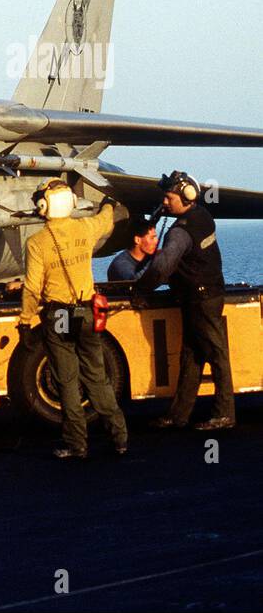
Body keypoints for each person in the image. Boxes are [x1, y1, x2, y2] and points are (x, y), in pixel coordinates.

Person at [18, 180, 128, 459]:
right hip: (88, 313)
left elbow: (32, 287)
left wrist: (25, 320)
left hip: (60, 316)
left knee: (66, 380)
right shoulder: (85, 228)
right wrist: (108, 203)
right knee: (97, 377)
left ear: (44, 206)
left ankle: (77, 445)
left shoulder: (37, 243)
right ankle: (120, 438)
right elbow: (106, 220)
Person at [134, 172, 235, 431]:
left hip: (201, 299)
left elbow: (162, 267)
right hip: (204, 295)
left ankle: (225, 414)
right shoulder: (202, 216)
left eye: (168, 198)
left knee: (216, 354)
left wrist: (141, 289)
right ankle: (179, 415)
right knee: (191, 356)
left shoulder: (179, 233)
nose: (164, 202)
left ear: (185, 197)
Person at [106, 216, 158, 281]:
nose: (156, 241)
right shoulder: (121, 265)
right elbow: (136, 282)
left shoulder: (151, 258)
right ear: (137, 240)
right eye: (152, 238)